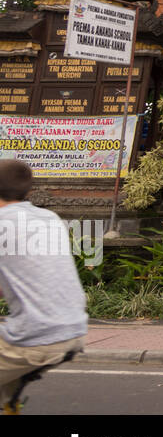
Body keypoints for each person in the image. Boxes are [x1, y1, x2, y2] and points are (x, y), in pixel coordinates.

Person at [0, 160, 87, 410]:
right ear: (27, 190)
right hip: (74, 329)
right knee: (6, 391)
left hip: (37, 335)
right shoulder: (49, 218)